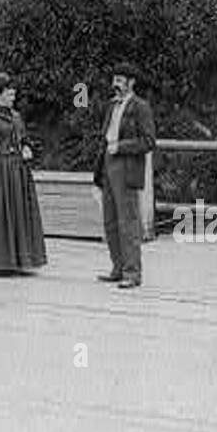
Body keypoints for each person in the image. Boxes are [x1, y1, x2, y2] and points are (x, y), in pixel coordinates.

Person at [0, 73, 47, 274]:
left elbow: (22, 138)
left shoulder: (15, 116)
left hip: (17, 170)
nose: (13, 95)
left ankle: (17, 261)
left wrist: (26, 147)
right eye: (9, 92)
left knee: (17, 213)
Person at [92, 62, 156, 289]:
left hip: (126, 165)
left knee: (127, 221)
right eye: (114, 80)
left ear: (131, 82)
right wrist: (98, 172)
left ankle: (132, 272)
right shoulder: (111, 105)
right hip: (109, 163)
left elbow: (148, 141)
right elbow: (104, 138)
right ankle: (117, 268)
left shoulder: (141, 107)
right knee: (110, 220)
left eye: (120, 80)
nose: (115, 85)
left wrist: (121, 146)